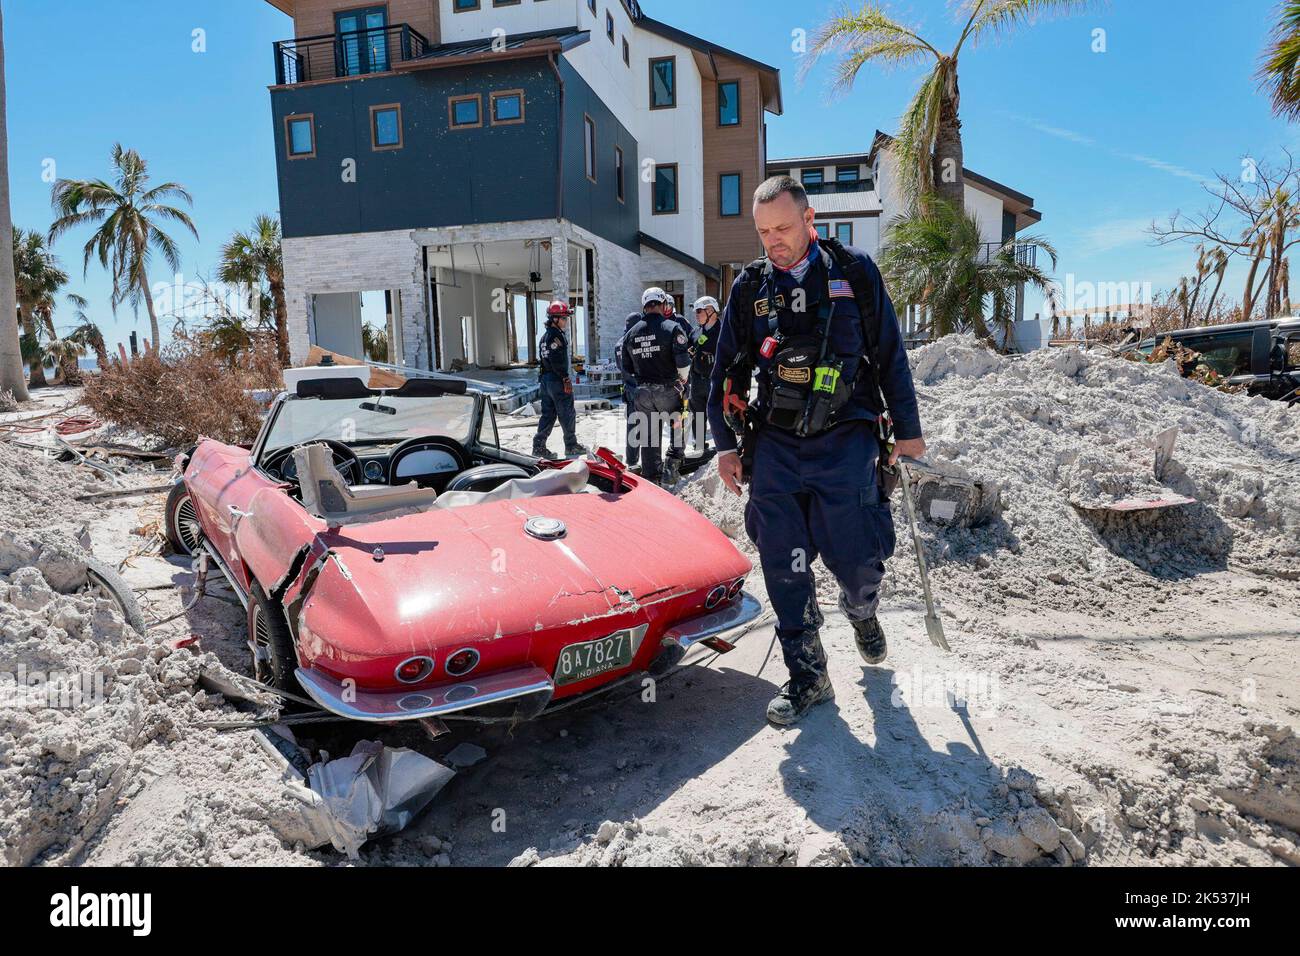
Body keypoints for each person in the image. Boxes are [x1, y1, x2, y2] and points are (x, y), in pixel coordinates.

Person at [707, 175, 926, 726]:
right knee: (784, 561)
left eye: (783, 227)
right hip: (776, 444)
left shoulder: (854, 272)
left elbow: (889, 354)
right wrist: (725, 445)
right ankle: (809, 675)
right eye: (763, 232)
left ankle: (862, 610)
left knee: (856, 560)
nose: (773, 240)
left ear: (810, 221)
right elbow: (725, 368)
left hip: (846, 438)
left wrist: (907, 428)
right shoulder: (751, 287)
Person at [620, 288, 691, 487]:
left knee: (649, 438)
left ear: (644, 305)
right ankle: (673, 463)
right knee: (681, 420)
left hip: (642, 393)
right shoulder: (672, 327)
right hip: (668, 390)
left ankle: (652, 478)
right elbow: (683, 363)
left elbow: (626, 367)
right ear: (662, 304)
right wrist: (682, 380)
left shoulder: (631, 333)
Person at [533, 300, 589, 460]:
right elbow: (557, 360)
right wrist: (565, 378)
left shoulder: (544, 337)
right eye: (564, 318)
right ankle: (571, 446)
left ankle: (539, 446)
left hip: (545, 380)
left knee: (548, 414)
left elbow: (544, 360)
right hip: (557, 380)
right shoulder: (555, 336)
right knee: (567, 413)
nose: (566, 321)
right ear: (555, 319)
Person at [686, 296, 722, 455]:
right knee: (698, 415)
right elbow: (688, 351)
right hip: (698, 382)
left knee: (718, 415)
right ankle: (699, 446)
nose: (696, 315)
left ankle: (723, 446)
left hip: (717, 381)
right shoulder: (695, 332)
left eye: (699, 311)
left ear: (710, 311)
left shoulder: (724, 332)